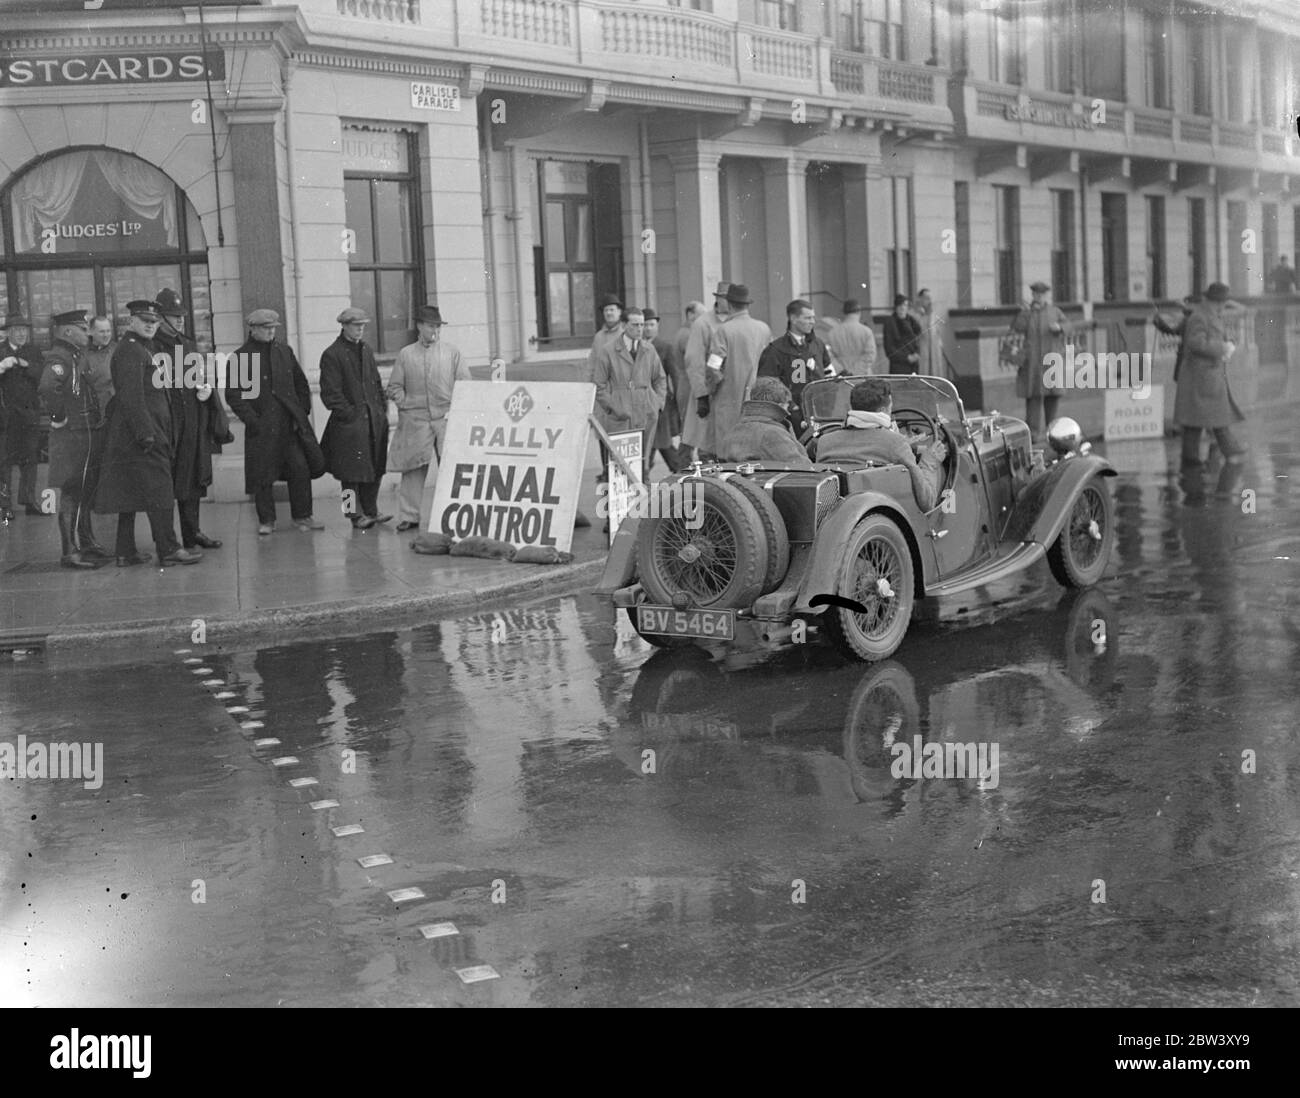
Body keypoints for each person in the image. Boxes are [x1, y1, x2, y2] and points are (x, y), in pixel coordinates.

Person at [94, 300, 201, 566]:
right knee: (161, 491)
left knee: (129, 495)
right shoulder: (132, 350)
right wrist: (147, 435)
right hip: (143, 437)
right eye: (145, 322)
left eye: (154, 322)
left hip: (135, 436)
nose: (150, 326)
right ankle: (169, 549)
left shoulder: (139, 348)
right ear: (131, 322)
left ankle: (125, 552)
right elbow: (132, 398)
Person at [226, 308, 322, 534]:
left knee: (300, 469)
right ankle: (266, 521)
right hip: (261, 428)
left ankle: (303, 517)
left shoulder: (284, 352)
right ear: (253, 329)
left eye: (273, 328)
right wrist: (253, 420)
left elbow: (301, 383)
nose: (271, 332)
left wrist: (302, 410)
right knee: (263, 476)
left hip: (289, 426)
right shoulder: (240, 357)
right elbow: (234, 395)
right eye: (266, 328)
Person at [155, 288, 230, 551]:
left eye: (180, 316)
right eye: (173, 316)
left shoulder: (186, 344)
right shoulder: (153, 345)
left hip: (191, 419)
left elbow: (196, 373)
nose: (179, 320)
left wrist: (205, 388)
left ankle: (192, 532)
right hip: (167, 421)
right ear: (161, 317)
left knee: (192, 479)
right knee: (166, 483)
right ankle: (168, 540)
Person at [38, 309, 112, 568]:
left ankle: (87, 542)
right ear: (68, 331)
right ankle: (70, 551)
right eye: (82, 328)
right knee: (72, 489)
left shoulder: (75, 355)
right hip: (71, 434)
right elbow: (48, 387)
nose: (86, 332)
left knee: (84, 488)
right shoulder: (60, 357)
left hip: (84, 431)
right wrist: (59, 416)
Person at [387, 304, 470, 532]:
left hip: (446, 418)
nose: (435, 330)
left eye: (437, 326)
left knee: (452, 468)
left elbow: (465, 384)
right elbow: (394, 386)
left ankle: (456, 515)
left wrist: (457, 411)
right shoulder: (406, 354)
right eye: (430, 325)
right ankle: (409, 516)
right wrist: (405, 404)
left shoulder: (452, 353)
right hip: (417, 420)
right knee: (413, 468)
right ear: (419, 326)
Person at [814, 377, 948, 510]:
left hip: (832, 513)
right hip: (884, 517)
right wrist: (929, 462)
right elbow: (927, 501)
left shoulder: (825, 442)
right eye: (890, 409)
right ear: (884, 411)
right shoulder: (895, 443)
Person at [321, 306, 391, 529]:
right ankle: (353, 515)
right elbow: (330, 393)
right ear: (343, 326)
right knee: (349, 474)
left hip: (373, 420)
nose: (360, 330)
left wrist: (381, 408)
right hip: (349, 425)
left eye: (362, 326)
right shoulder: (332, 354)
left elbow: (377, 382)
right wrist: (349, 414)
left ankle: (371, 510)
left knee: (375, 468)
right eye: (356, 326)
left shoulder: (366, 350)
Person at [1175, 282, 1248, 468]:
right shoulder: (1200, 317)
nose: (1224, 306)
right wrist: (1222, 348)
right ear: (1216, 301)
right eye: (1223, 302)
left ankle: (1191, 463)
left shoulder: (1210, 314)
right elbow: (1195, 342)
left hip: (1207, 377)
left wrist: (1225, 346)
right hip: (1200, 378)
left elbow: (1211, 338)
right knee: (1210, 420)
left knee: (1199, 422)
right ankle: (1229, 454)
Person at [593, 306, 667, 481]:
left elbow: (660, 379)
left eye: (642, 325)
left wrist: (657, 404)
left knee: (644, 464)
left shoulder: (649, 349)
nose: (640, 329)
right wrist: (613, 408)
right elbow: (599, 384)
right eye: (635, 325)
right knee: (621, 466)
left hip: (646, 411)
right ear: (625, 325)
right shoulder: (608, 350)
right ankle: (620, 506)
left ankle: (644, 504)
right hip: (621, 414)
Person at [757, 298, 832, 437]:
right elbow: (766, 385)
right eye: (807, 318)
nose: (813, 322)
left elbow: (829, 374)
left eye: (813, 318)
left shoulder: (818, 345)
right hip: (791, 417)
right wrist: (791, 407)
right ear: (793, 318)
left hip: (820, 413)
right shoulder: (776, 350)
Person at [1008, 280, 1070, 440]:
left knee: (1052, 398)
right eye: (1036, 294)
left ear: (1046, 295)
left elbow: (1069, 326)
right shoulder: (1027, 313)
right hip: (1033, 363)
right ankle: (1033, 435)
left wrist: (1060, 327)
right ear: (1033, 295)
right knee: (1033, 399)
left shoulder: (1055, 312)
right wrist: (1025, 312)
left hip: (1051, 362)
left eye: (1041, 294)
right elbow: (1017, 327)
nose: (1038, 297)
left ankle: (1053, 433)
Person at [0, 314, 46, 516]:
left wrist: (25, 365)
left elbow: (43, 376)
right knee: (4, 461)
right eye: (16, 330)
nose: (21, 334)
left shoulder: (33, 351)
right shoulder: (1, 350)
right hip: (5, 416)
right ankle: (4, 506)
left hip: (29, 415)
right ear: (8, 332)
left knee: (30, 459)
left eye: (24, 330)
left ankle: (29, 502)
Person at [681, 281, 732, 458]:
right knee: (708, 443)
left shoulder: (736, 320)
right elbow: (694, 361)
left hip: (732, 393)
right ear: (718, 299)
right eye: (726, 298)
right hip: (710, 392)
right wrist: (701, 395)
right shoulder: (703, 324)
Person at [721, 376, 813, 467]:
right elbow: (803, 468)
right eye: (787, 406)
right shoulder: (774, 434)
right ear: (780, 406)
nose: (788, 413)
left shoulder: (734, 431)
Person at [643, 307, 689, 473]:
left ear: (657, 326)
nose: (647, 328)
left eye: (651, 324)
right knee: (657, 443)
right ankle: (680, 471)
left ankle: (680, 472)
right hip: (641, 403)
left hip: (661, 404)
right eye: (644, 324)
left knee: (661, 442)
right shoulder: (636, 347)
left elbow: (675, 376)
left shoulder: (664, 347)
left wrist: (677, 402)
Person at [827, 298, 877, 375]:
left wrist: (842, 370)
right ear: (859, 312)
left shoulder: (832, 333)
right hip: (863, 375)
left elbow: (829, 356)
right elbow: (870, 355)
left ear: (843, 313)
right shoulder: (866, 331)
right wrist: (855, 371)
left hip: (841, 377)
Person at [1152, 296, 1196, 383]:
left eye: (1186, 303)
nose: (1183, 307)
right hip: (1184, 354)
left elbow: (1173, 331)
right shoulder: (1187, 319)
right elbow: (1174, 331)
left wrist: (1158, 320)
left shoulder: (1192, 319)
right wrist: (1158, 320)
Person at [587, 293, 625, 381]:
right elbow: (592, 363)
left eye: (612, 310)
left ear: (619, 312)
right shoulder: (599, 336)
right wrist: (588, 384)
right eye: (606, 310)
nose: (608, 313)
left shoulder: (626, 334)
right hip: (602, 386)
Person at [882, 294, 922, 375]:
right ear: (896, 307)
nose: (903, 308)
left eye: (905, 305)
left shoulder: (911, 321)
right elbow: (889, 349)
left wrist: (917, 354)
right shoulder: (890, 323)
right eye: (900, 305)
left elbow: (917, 339)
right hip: (898, 367)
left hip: (913, 366)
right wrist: (906, 358)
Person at [83, 315, 116, 407]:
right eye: (102, 332)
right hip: (95, 406)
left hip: (116, 405)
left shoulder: (117, 350)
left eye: (108, 331)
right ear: (91, 332)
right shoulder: (83, 354)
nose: (106, 335)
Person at [913, 288, 944, 377]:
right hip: (922, 349)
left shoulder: (933, 315)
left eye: (930, 298)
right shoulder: (916, 315)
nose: (929, 301)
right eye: (926, 298)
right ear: (920, 299)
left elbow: (936, 332)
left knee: (936, 372)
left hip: (934, 349)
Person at [674, 301, 706, 367]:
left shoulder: (684, 332)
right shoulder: (688, 335)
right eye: (702, 315)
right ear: (690, 315)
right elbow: (696, 361)